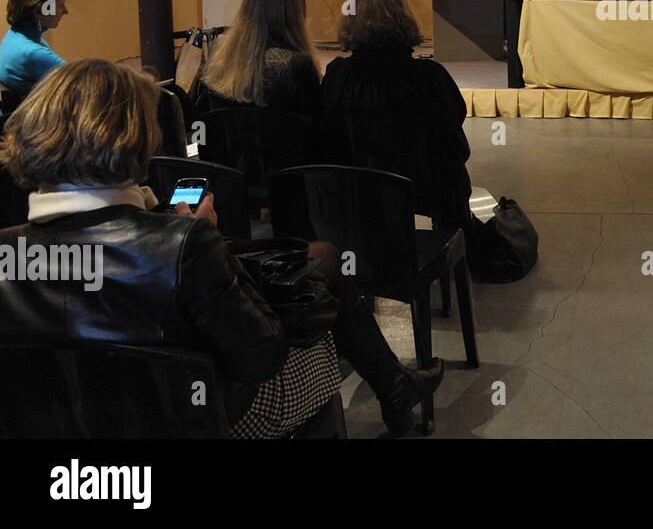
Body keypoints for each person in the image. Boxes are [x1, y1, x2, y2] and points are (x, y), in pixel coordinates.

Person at [0, 59, 442, 438]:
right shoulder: (181, 244)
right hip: (208, 421)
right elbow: (261, 355)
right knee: (319, 325)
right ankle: (392, 389)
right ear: (133, 139)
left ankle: (396, 386)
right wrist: (213, 243)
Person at [322, 0, 470, 230]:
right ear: (404, 17)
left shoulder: (338, 75)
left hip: (353, 187)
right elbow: (453, 137)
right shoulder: (429, 77)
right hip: (422, 186)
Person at [195, 0, 321, 115]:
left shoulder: (219, 60)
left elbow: (202, 121)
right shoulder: (299, 66)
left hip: (230, 137)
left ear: (248, 8)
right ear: (296, 15)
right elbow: (316, 126)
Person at [0, 0, 68, 107]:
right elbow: (85, 85)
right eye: (60, 5)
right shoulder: (33, 53)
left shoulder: (13, 38)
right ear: (39, 10)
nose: (65, 11)